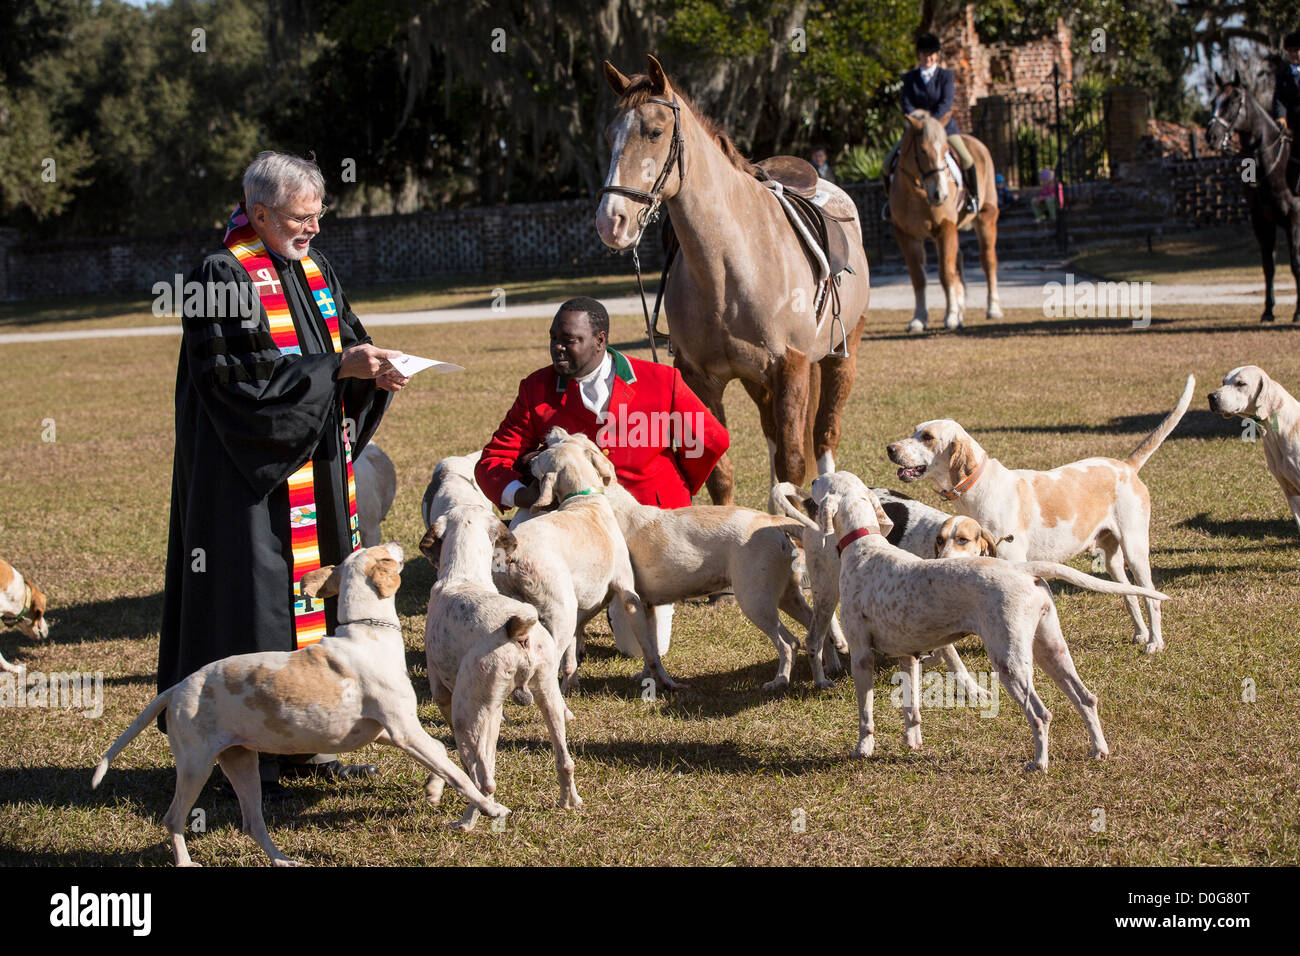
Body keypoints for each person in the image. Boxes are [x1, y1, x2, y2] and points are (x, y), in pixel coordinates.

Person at [159, 151, 409, 795]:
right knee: (252, 608)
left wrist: (375, 368)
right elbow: (239, 387)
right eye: (302, 217)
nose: (314, 229)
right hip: (247, 481)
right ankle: (231, 753)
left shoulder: (312, 266)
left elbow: (344, 340)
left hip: (315, 471)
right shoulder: (217, 276)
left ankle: (307, 740)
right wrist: (337, 371)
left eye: (319, 216)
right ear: (261, 212)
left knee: (314, 602)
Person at [475, 296, 729, 653]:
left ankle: (610, 603)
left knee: (640, 649)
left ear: (600, 340)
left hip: (643, 526)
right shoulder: (536, 389)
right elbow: (493, 460)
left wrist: (676, 487)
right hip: (571, 526)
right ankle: (559, 608)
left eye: (569, 340)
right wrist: (525, 496)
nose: (557, 348)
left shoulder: (661, 380)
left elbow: (711, 439)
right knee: (516, 546)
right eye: (553, 339)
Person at [880, 32, 979, 220]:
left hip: (943, 129)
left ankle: (972, 198)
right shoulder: (910, 78)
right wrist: (920, 123)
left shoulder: (946, 76)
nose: (928, 57)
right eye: (925, 54)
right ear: (919, 55)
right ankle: (890, 203)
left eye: (932, 54)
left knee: (966, 159)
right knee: (887, 164)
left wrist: (931, 124)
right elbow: (906, 103)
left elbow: (946, 102)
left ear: (937, 55)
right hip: (916, 131)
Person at [1272, 30, 1300, 192]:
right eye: (1290, 51)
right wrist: (1280, 118)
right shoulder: (1282, 75)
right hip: (1291, 126)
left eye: (1296, 51)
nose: (1294, 55)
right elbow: (1279, 100)